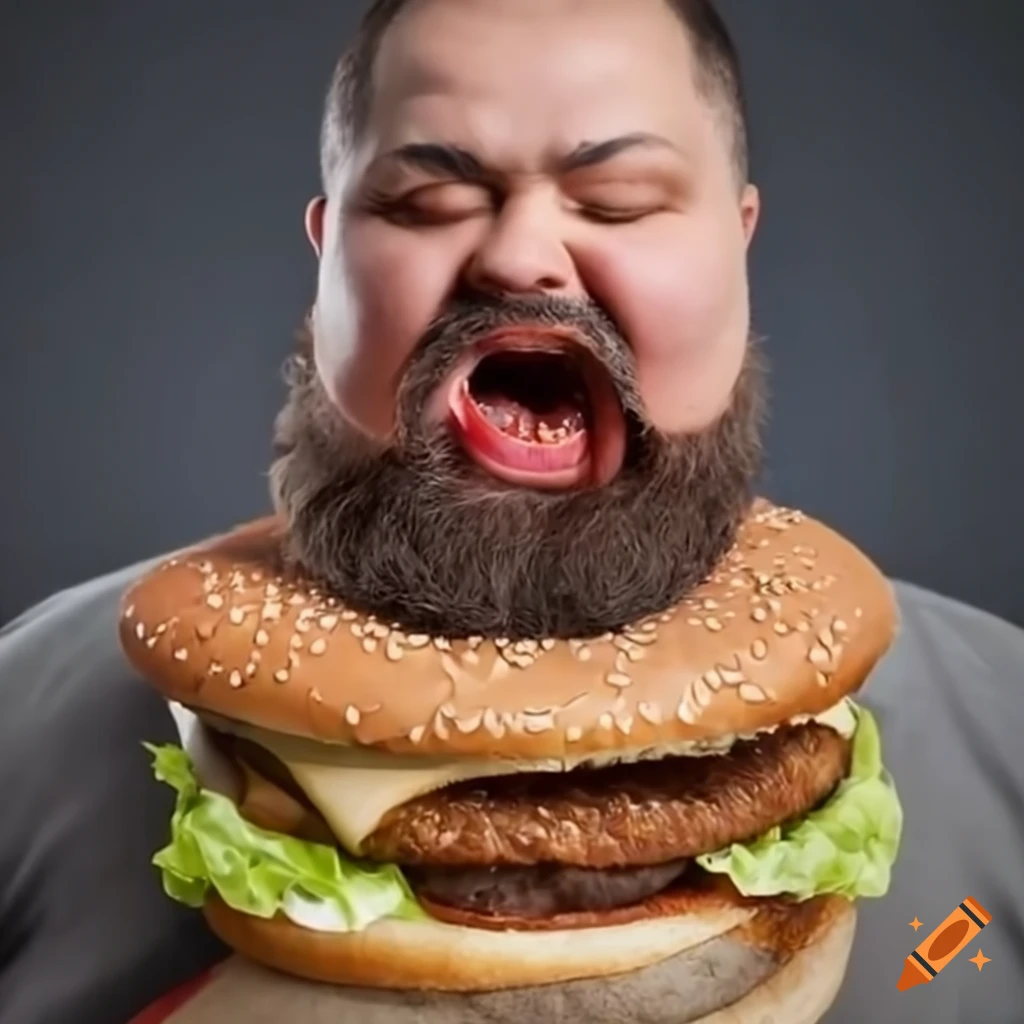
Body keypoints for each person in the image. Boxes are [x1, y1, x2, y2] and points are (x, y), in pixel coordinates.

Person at [0, 0, 1021, 1021]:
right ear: (324, 260)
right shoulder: (26, 719)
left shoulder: (1001, 725)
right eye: (429, 198)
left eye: (617, 200)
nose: (519, 255)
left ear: (740, 245)